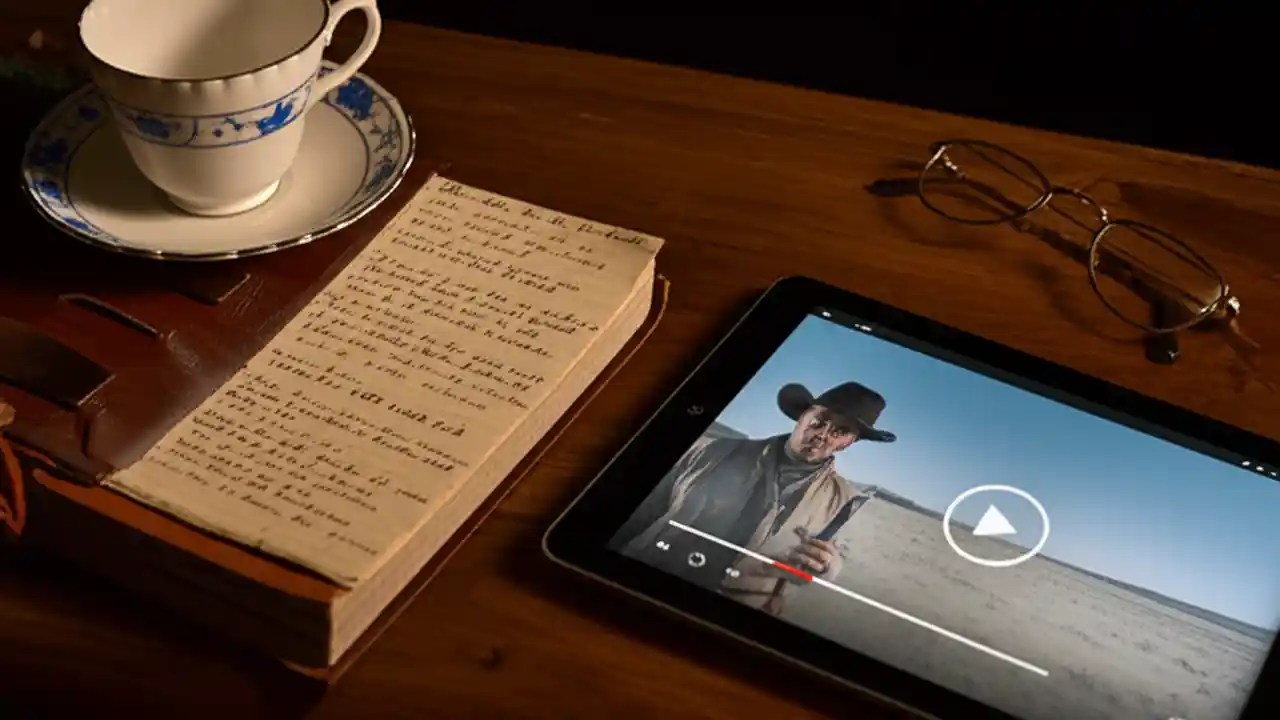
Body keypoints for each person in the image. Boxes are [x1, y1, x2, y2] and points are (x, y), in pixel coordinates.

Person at [612, 381, 896, 615]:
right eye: (818, 421)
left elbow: (828, 553)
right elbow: (644, 509)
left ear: (849, 442)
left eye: (840, 431)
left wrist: (827, 568)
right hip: (649, 583)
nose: (822, 435)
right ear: (802, 417)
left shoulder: (843, 500)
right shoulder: (717, 451)